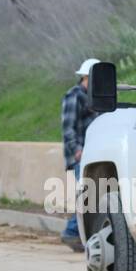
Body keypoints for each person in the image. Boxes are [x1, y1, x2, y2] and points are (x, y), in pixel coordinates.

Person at [60, 58, 100, 251]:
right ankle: (72, 232)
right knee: (88, 195)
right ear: (86, 77)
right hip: (81, 156)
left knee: (91, 194)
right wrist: (77, 151)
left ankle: (77, 233)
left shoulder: (94, 98)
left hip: (92, 155)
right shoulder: (75, 96)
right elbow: (68, 127)